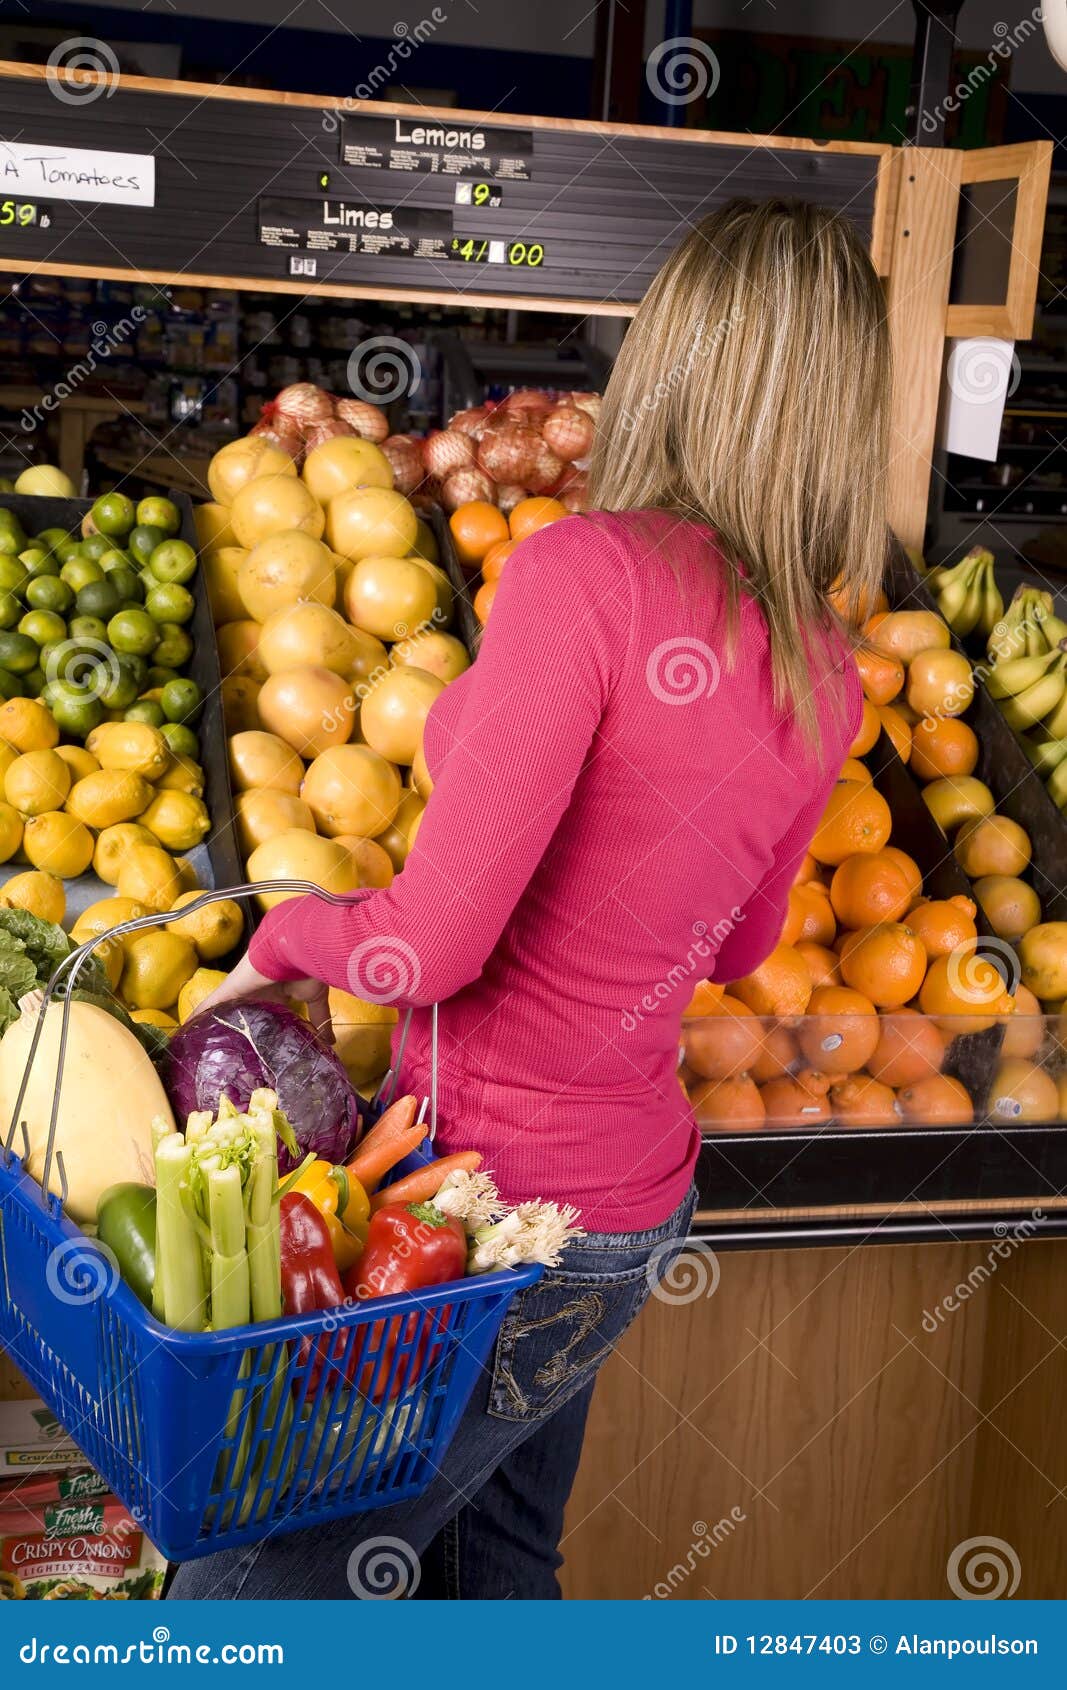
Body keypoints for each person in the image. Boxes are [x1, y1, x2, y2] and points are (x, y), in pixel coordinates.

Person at [169, 198, 888, 1601]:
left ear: (671, 353)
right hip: (625, 1211)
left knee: (255, 1578)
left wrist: (286, 934)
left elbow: (432, 946)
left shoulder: (583, 573)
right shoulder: (822, 657)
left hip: (493, 1217)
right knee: (488, 1558)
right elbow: (738, 941)